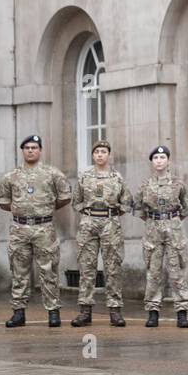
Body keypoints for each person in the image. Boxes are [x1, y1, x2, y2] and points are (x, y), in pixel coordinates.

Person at [0, 134, 70, 328]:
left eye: (34, 147)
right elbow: (4, 202)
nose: (30, 150)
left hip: (44, 228)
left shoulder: (52, 173)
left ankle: (53, 311)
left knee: (49, 270)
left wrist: (45, 209)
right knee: (19, 271)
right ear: (22, 151)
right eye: (27, 148)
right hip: (20, 228)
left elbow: (64, 197)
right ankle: (18, 312)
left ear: (40, 150)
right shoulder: (11, 176)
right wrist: (23, 211)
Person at [71, 140, 133, 328]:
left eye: (103, 151)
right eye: (97, 151)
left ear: (109, 155)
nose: (100, 155)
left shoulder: (117, 177)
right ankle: (85, 310)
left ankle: (115, 310)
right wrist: (89, 212)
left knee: (113, 267)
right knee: (86, 267)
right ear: (93, 155)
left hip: (110, 223)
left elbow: (126, 202)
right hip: (88, 222)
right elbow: (76, 201)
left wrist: (111, 214)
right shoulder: (85, 176)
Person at [135, 145, 188, 328]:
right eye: (156, 158)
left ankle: (182, 312)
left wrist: (172, 219)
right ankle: (153, 312)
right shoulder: (145, 185)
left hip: (174, 228)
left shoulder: (178, 183)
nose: (159, 161)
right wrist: (154, 219)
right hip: (153, 229)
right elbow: (138, 207)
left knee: (177, 271)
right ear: (152, 162)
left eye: (162, 157)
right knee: (153, 271)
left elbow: (187, 206)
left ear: (168, 160)